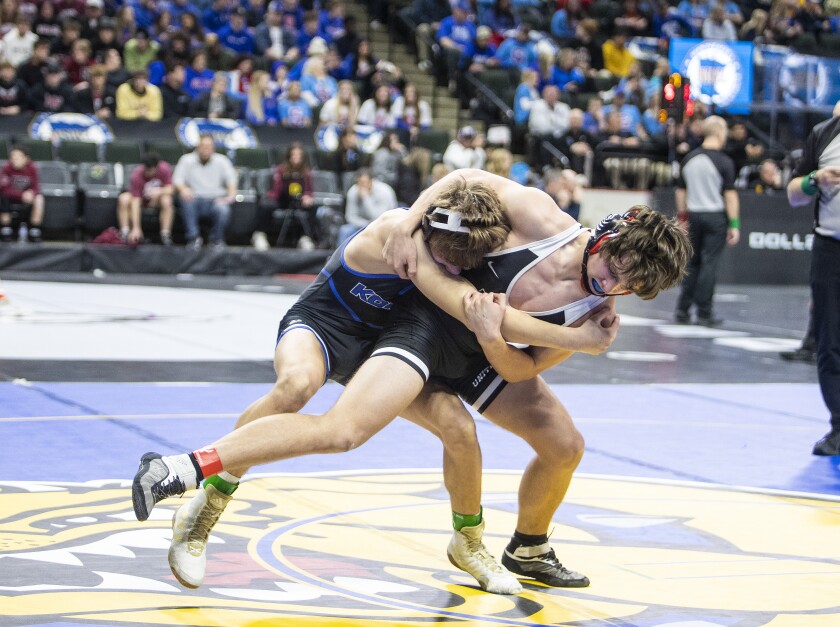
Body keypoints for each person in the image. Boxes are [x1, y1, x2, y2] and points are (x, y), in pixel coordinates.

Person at [132, 170, 689, 593]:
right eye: (613, 267)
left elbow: (517, 364)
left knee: (546, 443)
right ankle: (206, 491)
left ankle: (517, 546)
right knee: (304, 393)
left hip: (476, 351)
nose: (609, 282)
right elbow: (461, 215)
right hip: (389, 327)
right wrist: (408, 218)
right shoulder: (437, 237)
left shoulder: (593, 310)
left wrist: (511, 340)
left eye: (624, 285)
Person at [786, 101, 840, 456]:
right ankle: (839, 426)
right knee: (829, 338)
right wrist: (813, 180)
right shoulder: (824, 134)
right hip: (830, 249)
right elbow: (793, 195)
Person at [674, 115, 740, 327]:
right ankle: (704, 312)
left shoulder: (689, 158)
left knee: (692, 263)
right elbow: (730, 195)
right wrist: (734, 224)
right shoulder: (724, 162)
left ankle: (682, 310)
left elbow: (681, 191)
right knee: (709, 263)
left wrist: (682, 217)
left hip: (693, 215)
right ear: (720, 133)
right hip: (714, 216)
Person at [172, 134, 237, 251]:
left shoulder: (222, 160)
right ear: (197, 147)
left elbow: (231, 180)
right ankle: (194, 239)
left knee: (223, 209)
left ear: (214, 148)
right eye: (203, 146)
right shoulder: (186, 160)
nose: (206, 148)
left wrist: (230, 197)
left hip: (215, 200)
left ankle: (216, 240)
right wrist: (183, 189)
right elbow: (177, 180)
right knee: (186, 200)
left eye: (209, 146)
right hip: (194, 198)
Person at [117, 153, 175, 245]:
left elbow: (171, 189)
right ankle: (125, 232)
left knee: (167, 200)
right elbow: (135, 201)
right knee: (123, 198)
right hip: (141, 200)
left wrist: (160, 191)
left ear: (156, 167)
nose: (148, 173)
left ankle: (165, 234)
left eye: (151, 170)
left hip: (156, 200)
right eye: (146, 170)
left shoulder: (165, 169)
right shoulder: (137, 174)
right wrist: (136, 228)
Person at [338, 168, 398, 244]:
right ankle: (340, 255)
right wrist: (366, 224)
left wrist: (366, 198)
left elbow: (378, 217)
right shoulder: (353, 191)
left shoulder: (384, 192)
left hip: (383, 224)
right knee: (344, 230)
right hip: (362, 225)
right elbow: (350, 217)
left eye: (365, 182)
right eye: (359, 183)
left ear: (371, 181)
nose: (362, 186)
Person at [0, 147, 44, 243]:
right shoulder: (7, 167)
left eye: (17, 157)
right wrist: (21, 194)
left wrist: (31, 193)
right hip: (10, 197)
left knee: (39, 198)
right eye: (12, 157)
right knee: (3, 197)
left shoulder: (32, 168)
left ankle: (34, 229)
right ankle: (5, 228)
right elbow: (4, 188)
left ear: (25, 158)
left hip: (27, 198)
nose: (14, 160)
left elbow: (36, 187)